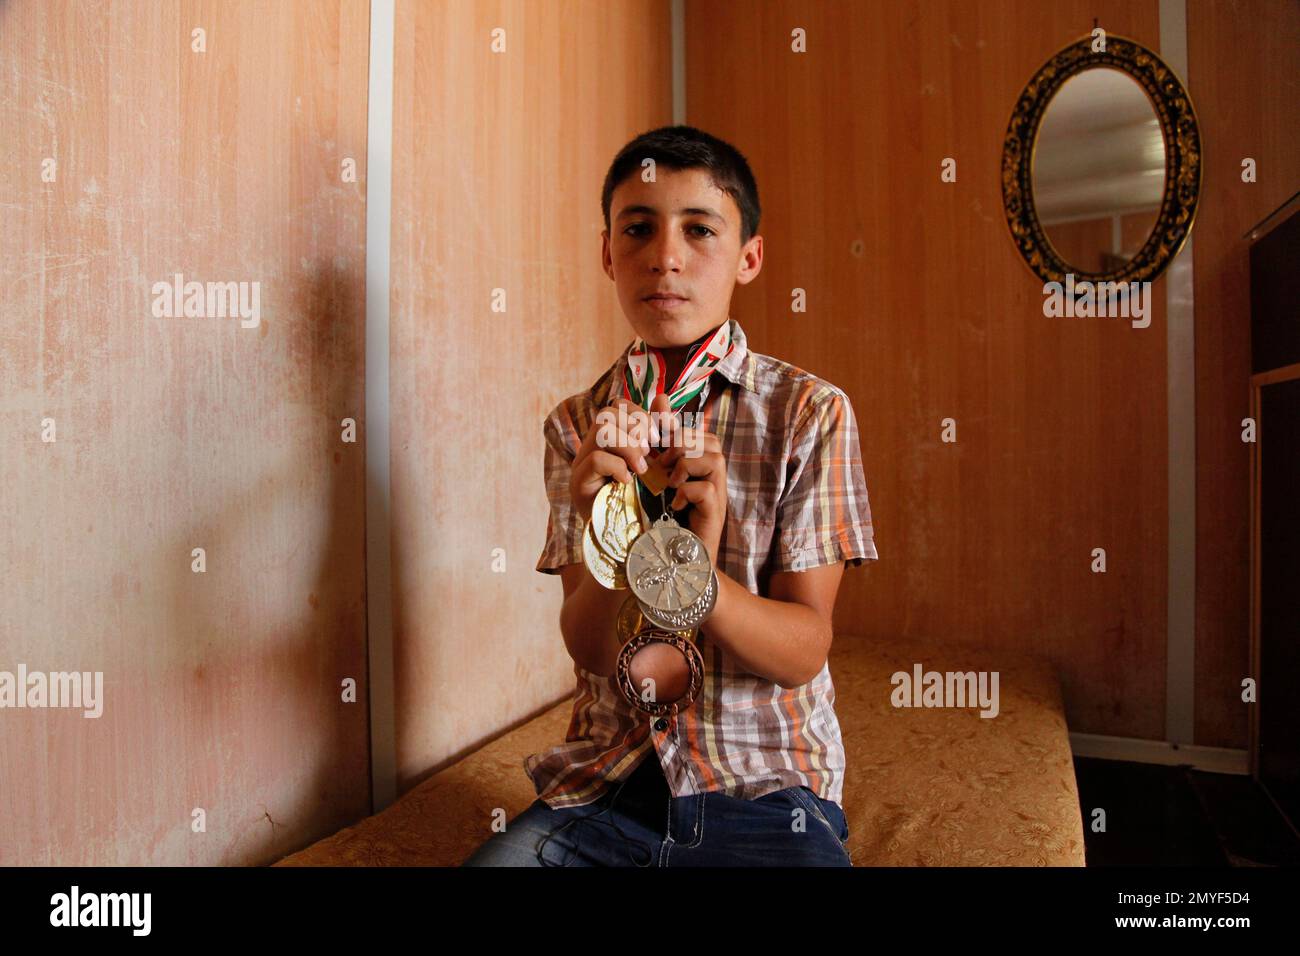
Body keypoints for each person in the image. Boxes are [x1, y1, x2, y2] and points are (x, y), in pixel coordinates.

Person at [462, 125, 878, 867]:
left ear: (749, 257)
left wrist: (691, 576)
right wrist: (601, 527)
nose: (665, 256)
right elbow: (589, 648)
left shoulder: (811, 414)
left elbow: (804, 650)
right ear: (606, 254)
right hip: (607, 785)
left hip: (765, 788)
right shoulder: (575, 427)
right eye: (638, 229)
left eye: (699, 229)